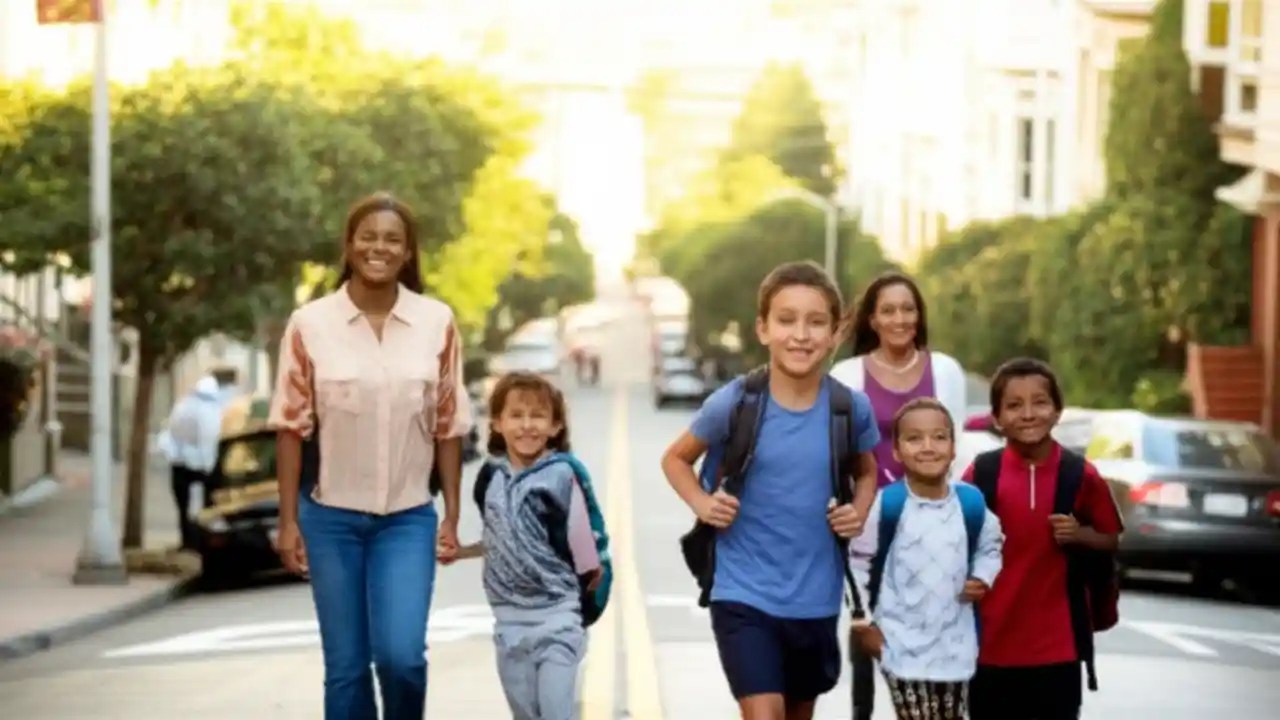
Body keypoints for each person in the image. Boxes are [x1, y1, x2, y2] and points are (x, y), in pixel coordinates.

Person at [268, 192, 473, 720]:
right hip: (329, 517)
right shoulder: (310, 323)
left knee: (401, 658)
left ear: (408, 252)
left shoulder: (436, 321)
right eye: (368, 236)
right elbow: (290, 428)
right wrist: (288, 522)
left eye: (392, 239)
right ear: (349, 244)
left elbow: (447, 426)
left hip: (407, 519)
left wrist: (451, 515)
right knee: (347, 667)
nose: (378, 248)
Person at [660, 261, 879, 720]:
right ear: (763, 328)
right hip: (743, 593)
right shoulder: (735, 403)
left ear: (834, 333)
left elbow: (867, 472)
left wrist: (857, 511)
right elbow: (675, 459)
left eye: (816, 322)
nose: (801, 334)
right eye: (786, 320)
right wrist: (703, 504)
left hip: (816, 597)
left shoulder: (848, 409)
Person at [962, 358, 1122, 720]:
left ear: (1057, 411)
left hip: (1058, 646)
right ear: (997, 418)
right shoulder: (982, 472)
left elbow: (1111, 537)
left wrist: (1080, 534)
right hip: (989, 645)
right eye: (1014, 405)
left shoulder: (1080, 474)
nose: (1028, 414)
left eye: (1040, 402)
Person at [456, 372, 604, 720]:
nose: (527, 426)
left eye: (537, 416)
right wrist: (461, 552)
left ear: (555, 427)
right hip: (508, 622)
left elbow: (584, 546)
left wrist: (589, 584)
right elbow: (500, 536)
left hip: (557, 618)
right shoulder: (489, 477)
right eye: (516, 416)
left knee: (555, 713)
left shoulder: (562, 475)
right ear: (496, 423)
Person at [848, 397, 1004, 719]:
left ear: (953, 446)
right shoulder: (887, 505)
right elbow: (857, 563)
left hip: (956, 648)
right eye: (914, 438)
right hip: (900, 646)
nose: (928, 446)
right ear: (896, 451)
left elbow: (991, 546)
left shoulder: (970, 502)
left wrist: (982, 577)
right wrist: (863, 624)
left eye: (939, 437)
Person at [830, 271, 967, 487]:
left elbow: (956, 447)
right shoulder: (845, 375)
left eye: (908, 309)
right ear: (873, 321)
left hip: (932, 508)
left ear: (919, 316)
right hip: (869, 510)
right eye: (888, 311)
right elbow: (839, 455)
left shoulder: (946, 370)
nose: (899, 319)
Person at [158, 375, 224, 550]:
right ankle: (205, 540)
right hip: (202, 465)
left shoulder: (182, 406)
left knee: (183, 507)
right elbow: (208, 440)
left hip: (180, 463)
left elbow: (171, 433)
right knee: (209, 504)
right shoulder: (211, 410)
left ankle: (187, 540)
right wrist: (210, 466)